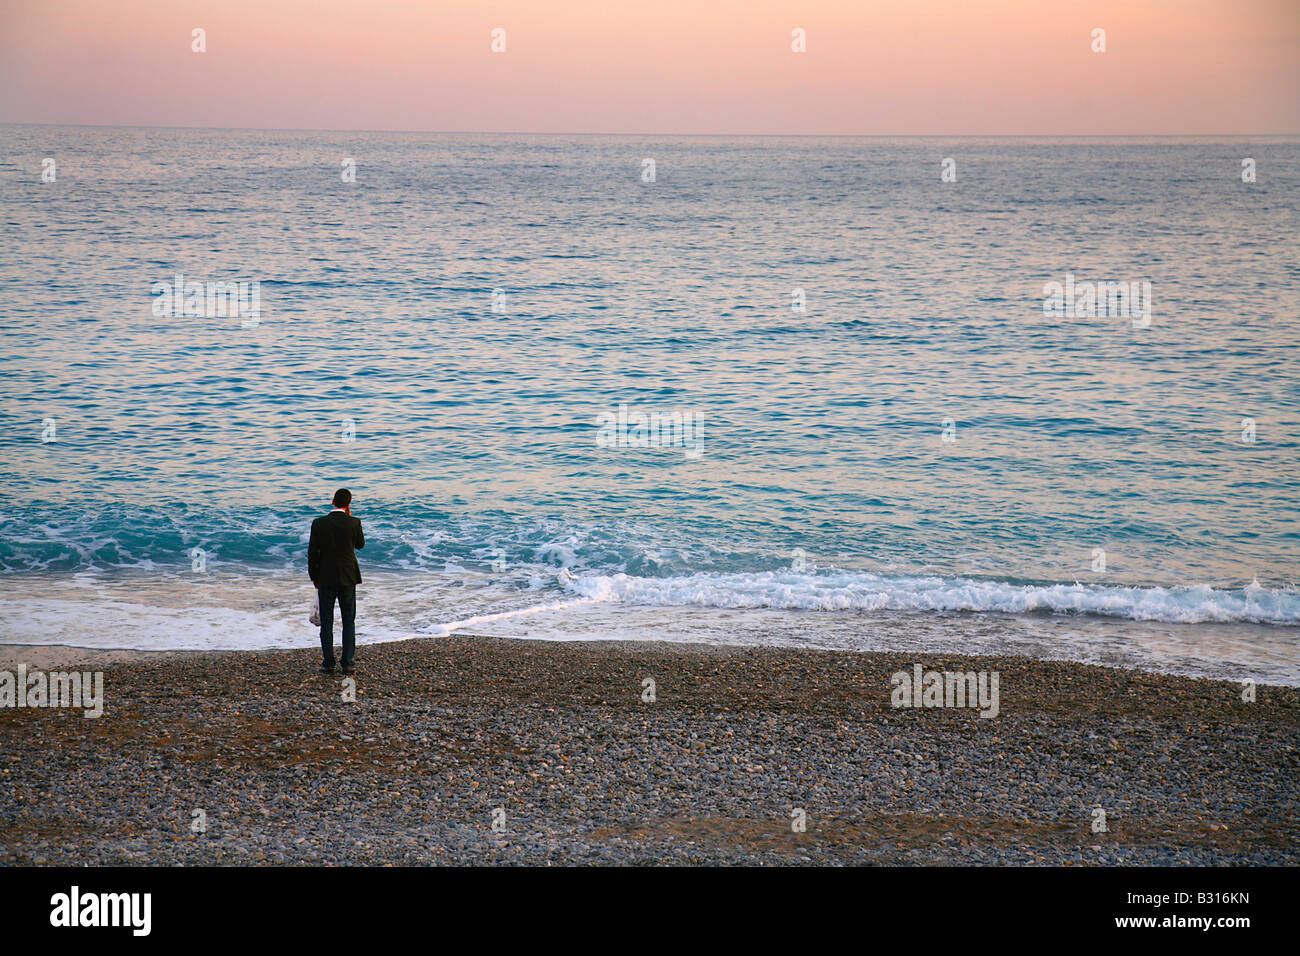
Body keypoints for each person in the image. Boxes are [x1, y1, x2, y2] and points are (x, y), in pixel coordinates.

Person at [308, 488, 365, 674]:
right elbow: (360, 545)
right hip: (348, 577)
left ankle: (328, 662)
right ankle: (347, 662)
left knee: (327, 621)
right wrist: (350, 519)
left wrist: (314, 578)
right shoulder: (354, 522)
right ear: (348, 504)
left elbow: (312, 554)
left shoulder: (318, 523)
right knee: (349, 620)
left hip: (325, 577)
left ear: (333, 501)